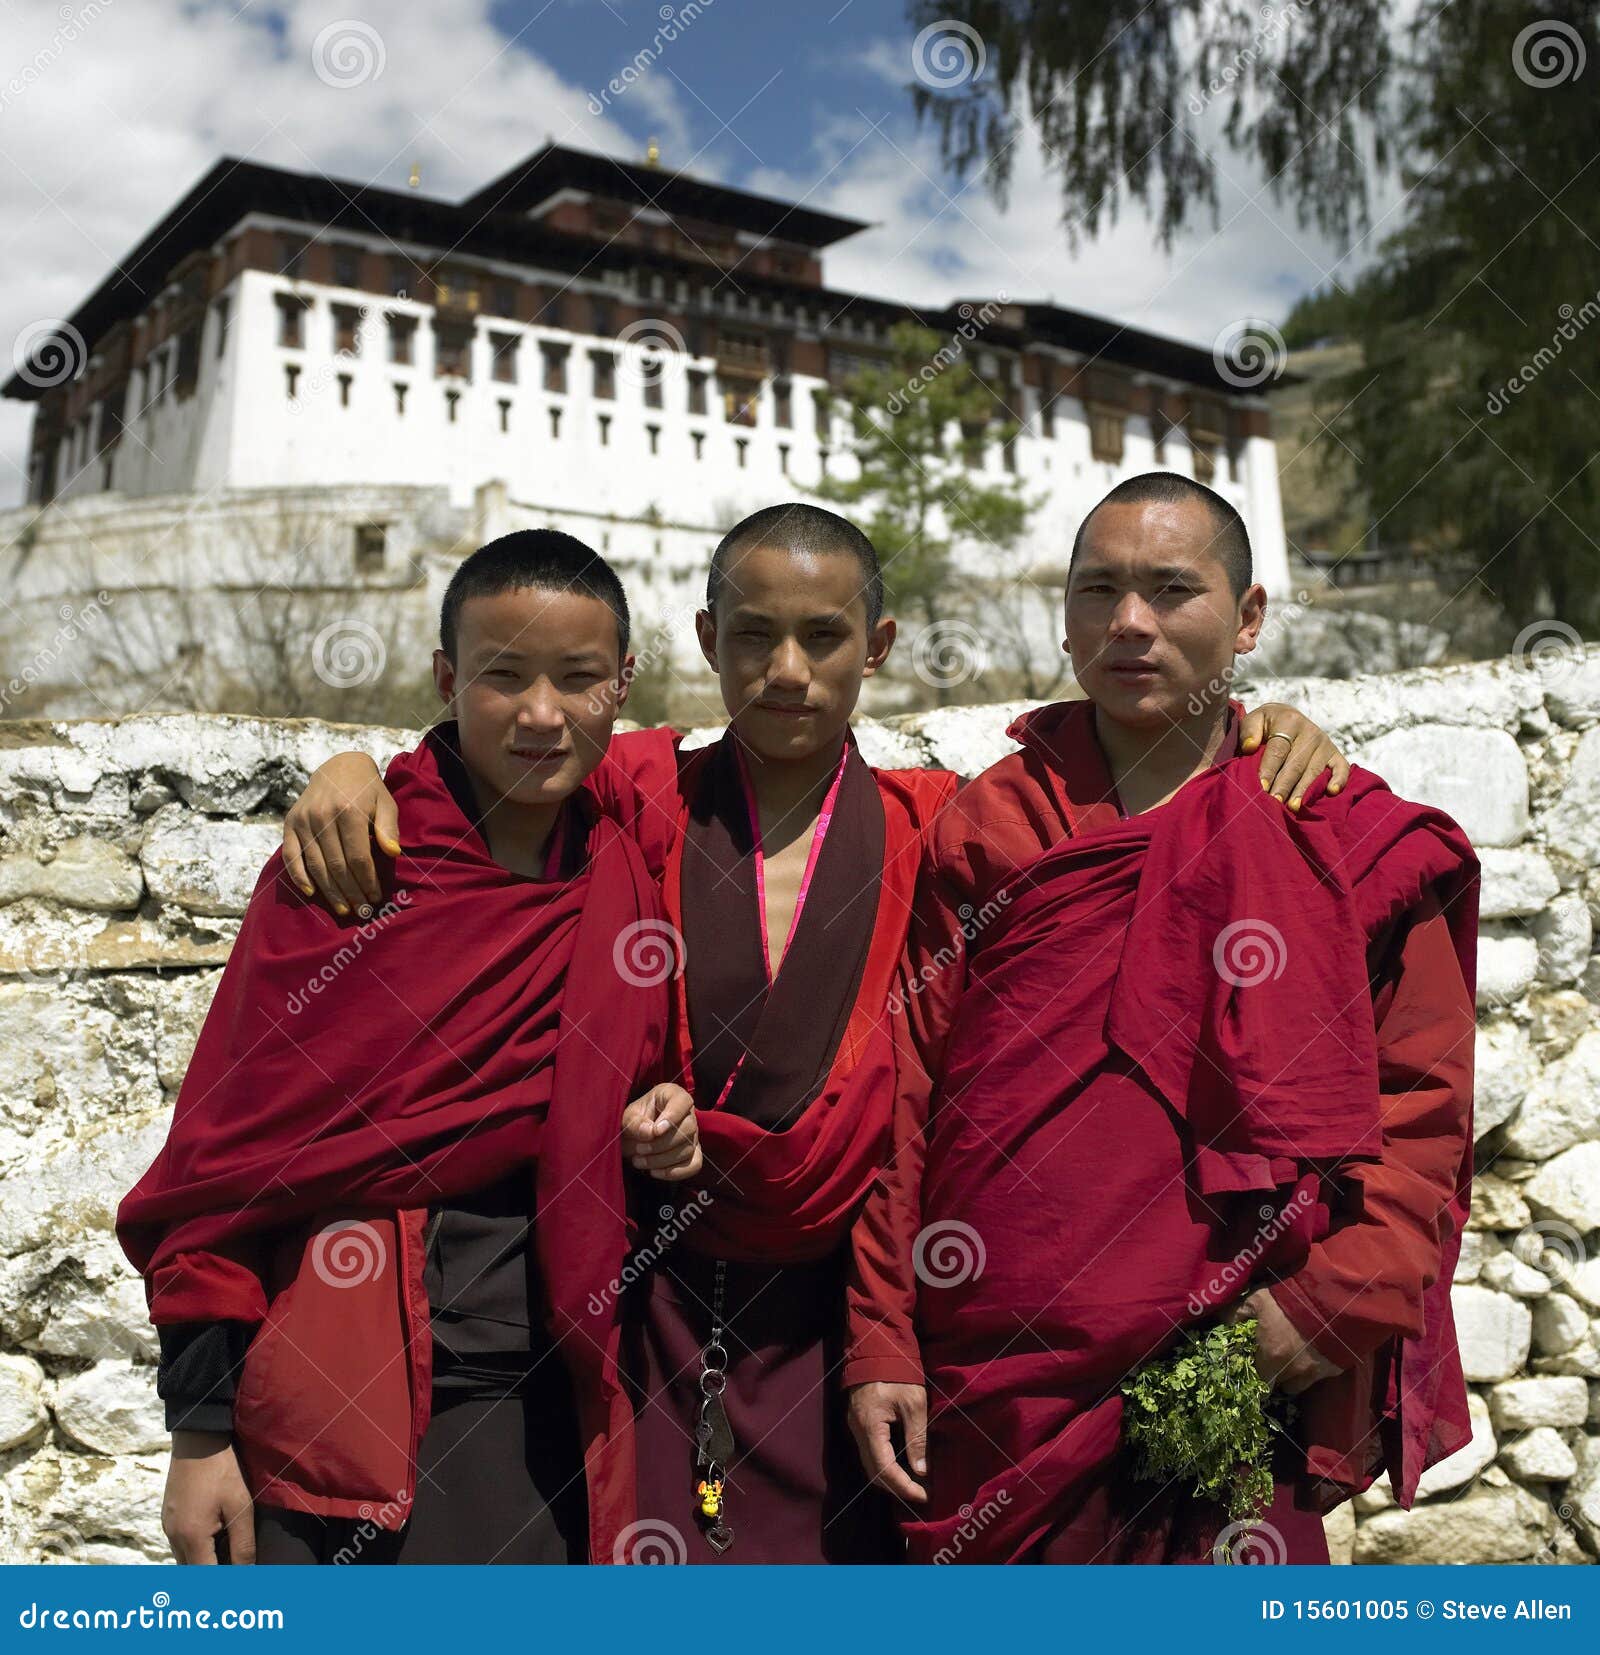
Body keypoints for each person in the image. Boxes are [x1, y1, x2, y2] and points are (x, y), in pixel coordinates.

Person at [281, 501, 1352, 1563]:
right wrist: (362, 772)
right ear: (707, 641)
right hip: (651, 1299)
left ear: (876, 647)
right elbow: (510, 752)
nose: (786, 669)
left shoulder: (936, 823)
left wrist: (1265, 727)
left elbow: (943, 1076)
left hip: (845, 1314)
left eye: (824, 637)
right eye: (752, 634)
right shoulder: (641, 793)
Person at [845, 472, 1478, 1564]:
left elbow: (1423, 1106)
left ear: (1246, 617)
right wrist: (880, 1331)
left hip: (1235, 1352)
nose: (1128, 622)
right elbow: (908, 1087)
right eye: (1098, 589)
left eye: (1171, 589)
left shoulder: (1333, 830)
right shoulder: (993, 824)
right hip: (998, 1368)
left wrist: (1329, 1302)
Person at [118, 531, 698, 1566]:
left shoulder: (630, 844)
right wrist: (198, 1431)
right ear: (445, 678)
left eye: (577, 679)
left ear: (622, 684)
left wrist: (670, 1118)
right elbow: (218, 1166)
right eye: (502, 675)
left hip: (553, 1392)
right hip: (342, 1402)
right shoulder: (347, 871)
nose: (539, 713)